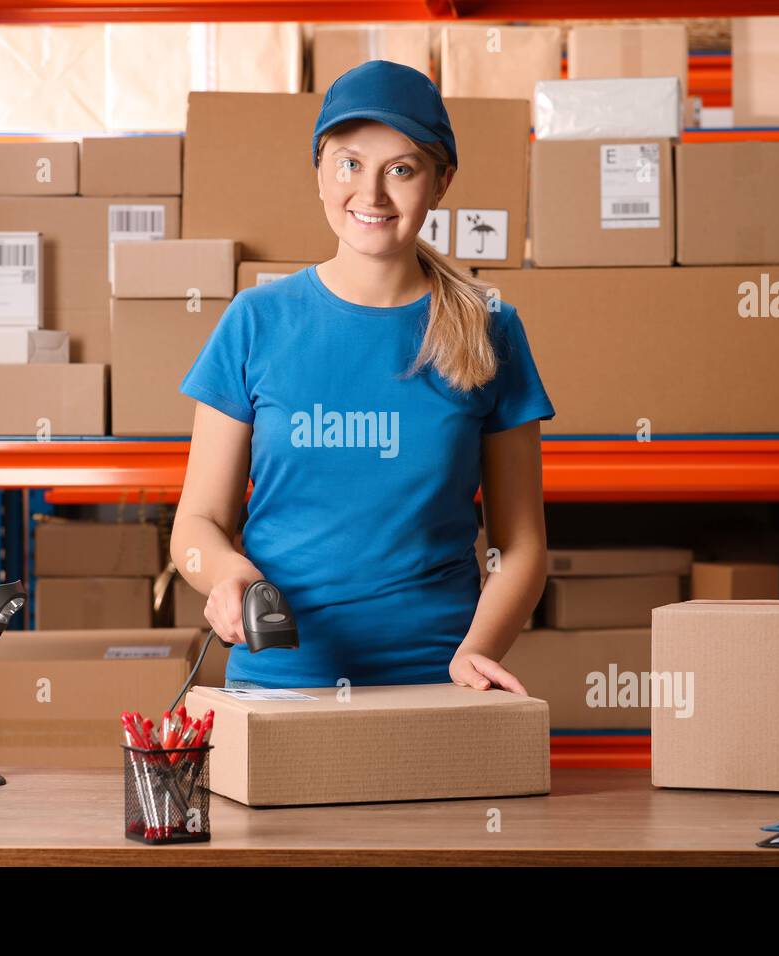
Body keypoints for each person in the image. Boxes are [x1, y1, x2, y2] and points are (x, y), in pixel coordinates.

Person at [171, 60, 555, 692]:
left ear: (441, 183)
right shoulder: (256, 322)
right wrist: (225, 576)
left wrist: (476, 652)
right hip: (282, 678)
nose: (371, 195)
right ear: (319, 173)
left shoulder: (489, 328)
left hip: (435, 678)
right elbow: (198, 522)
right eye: (349, 164)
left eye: (400, 170)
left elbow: (522, 546)